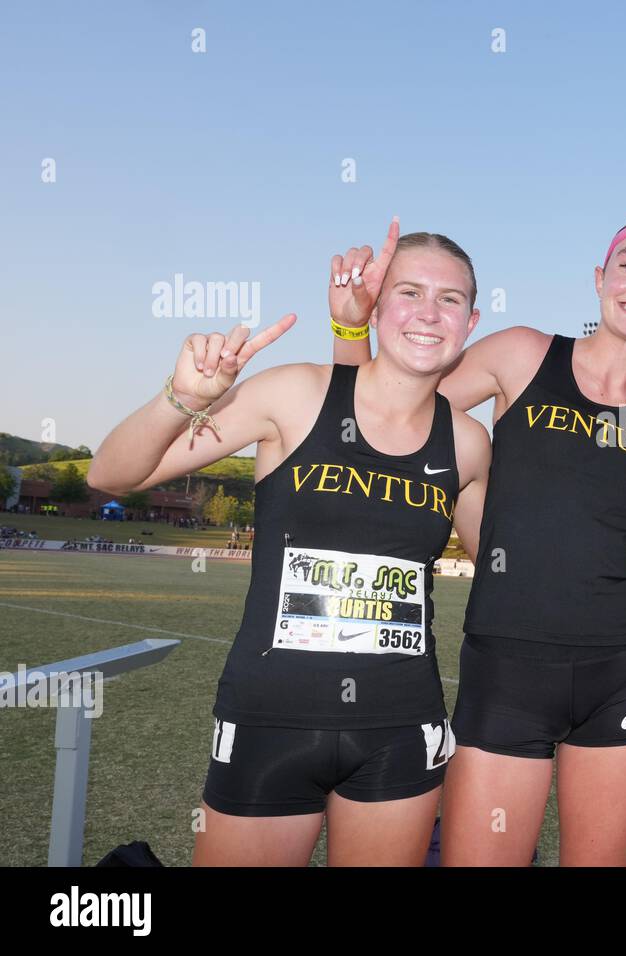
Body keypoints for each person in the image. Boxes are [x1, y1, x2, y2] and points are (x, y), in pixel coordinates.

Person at [89, 229, 493, 865]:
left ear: (471, 322)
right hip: (268, 718)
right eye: (409, 291)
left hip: (399, 726)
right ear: (377, 304)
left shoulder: (468, 442)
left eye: (450, 300)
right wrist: (182, 400)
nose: (428, 313)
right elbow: (109, 474)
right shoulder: (295, 394)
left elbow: (504, 565)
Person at [330, 215, 626, 865]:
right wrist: (354, 329)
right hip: (506, 671)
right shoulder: (523, 353)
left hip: (622, 675)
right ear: (599, 279)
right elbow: (383, 416)